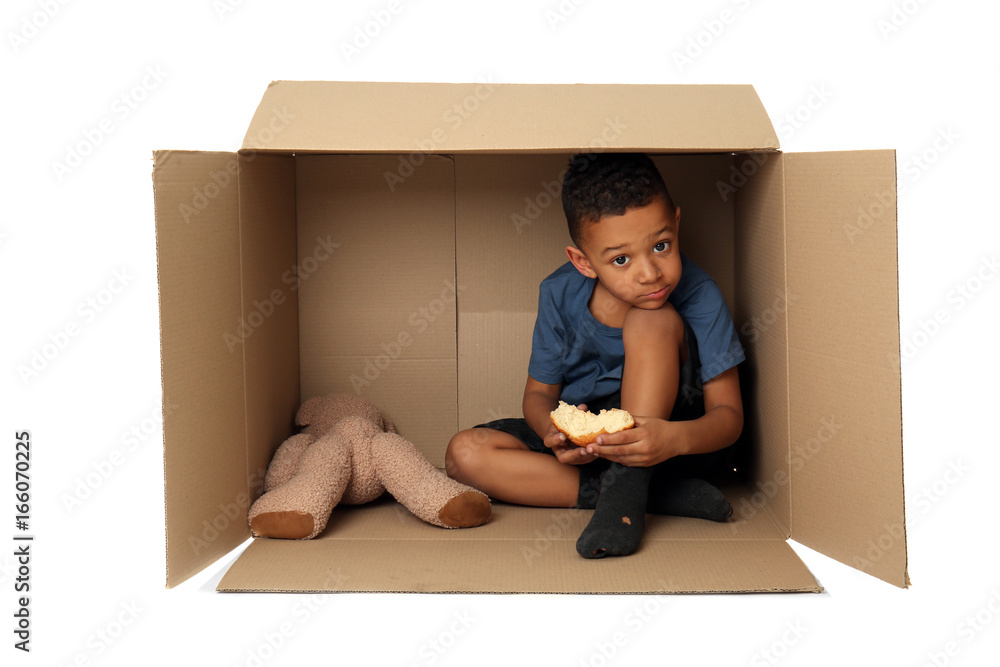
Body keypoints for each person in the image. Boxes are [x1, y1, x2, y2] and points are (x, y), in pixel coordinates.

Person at [445, 152, 745, 558]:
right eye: (621, 259)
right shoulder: (559, 292)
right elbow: (538, 396)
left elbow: (729, 418)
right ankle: (653, 497)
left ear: (676, 223)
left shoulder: (700, 295)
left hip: (673, 439)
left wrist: (673, 438)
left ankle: (627, 494)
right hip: (594, 444)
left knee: (650, 320)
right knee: (464, 454)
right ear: (583, 262)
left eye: (661, 245)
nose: (650, 273)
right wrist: (554, 432)